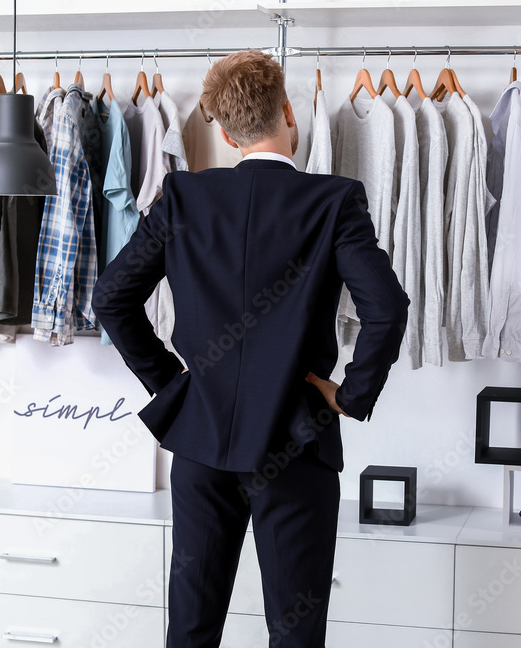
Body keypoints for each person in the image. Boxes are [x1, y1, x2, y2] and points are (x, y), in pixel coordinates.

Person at [92, 49, 409, 648]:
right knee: (295, 632)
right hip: (296, 442)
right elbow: (387, 308)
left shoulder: (182, 196)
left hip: (201, 439)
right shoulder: (334, 200)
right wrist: (352, 396)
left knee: (191, 628)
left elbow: (111, 298)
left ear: (225, 132)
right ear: (288, 112)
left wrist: (173, 384)